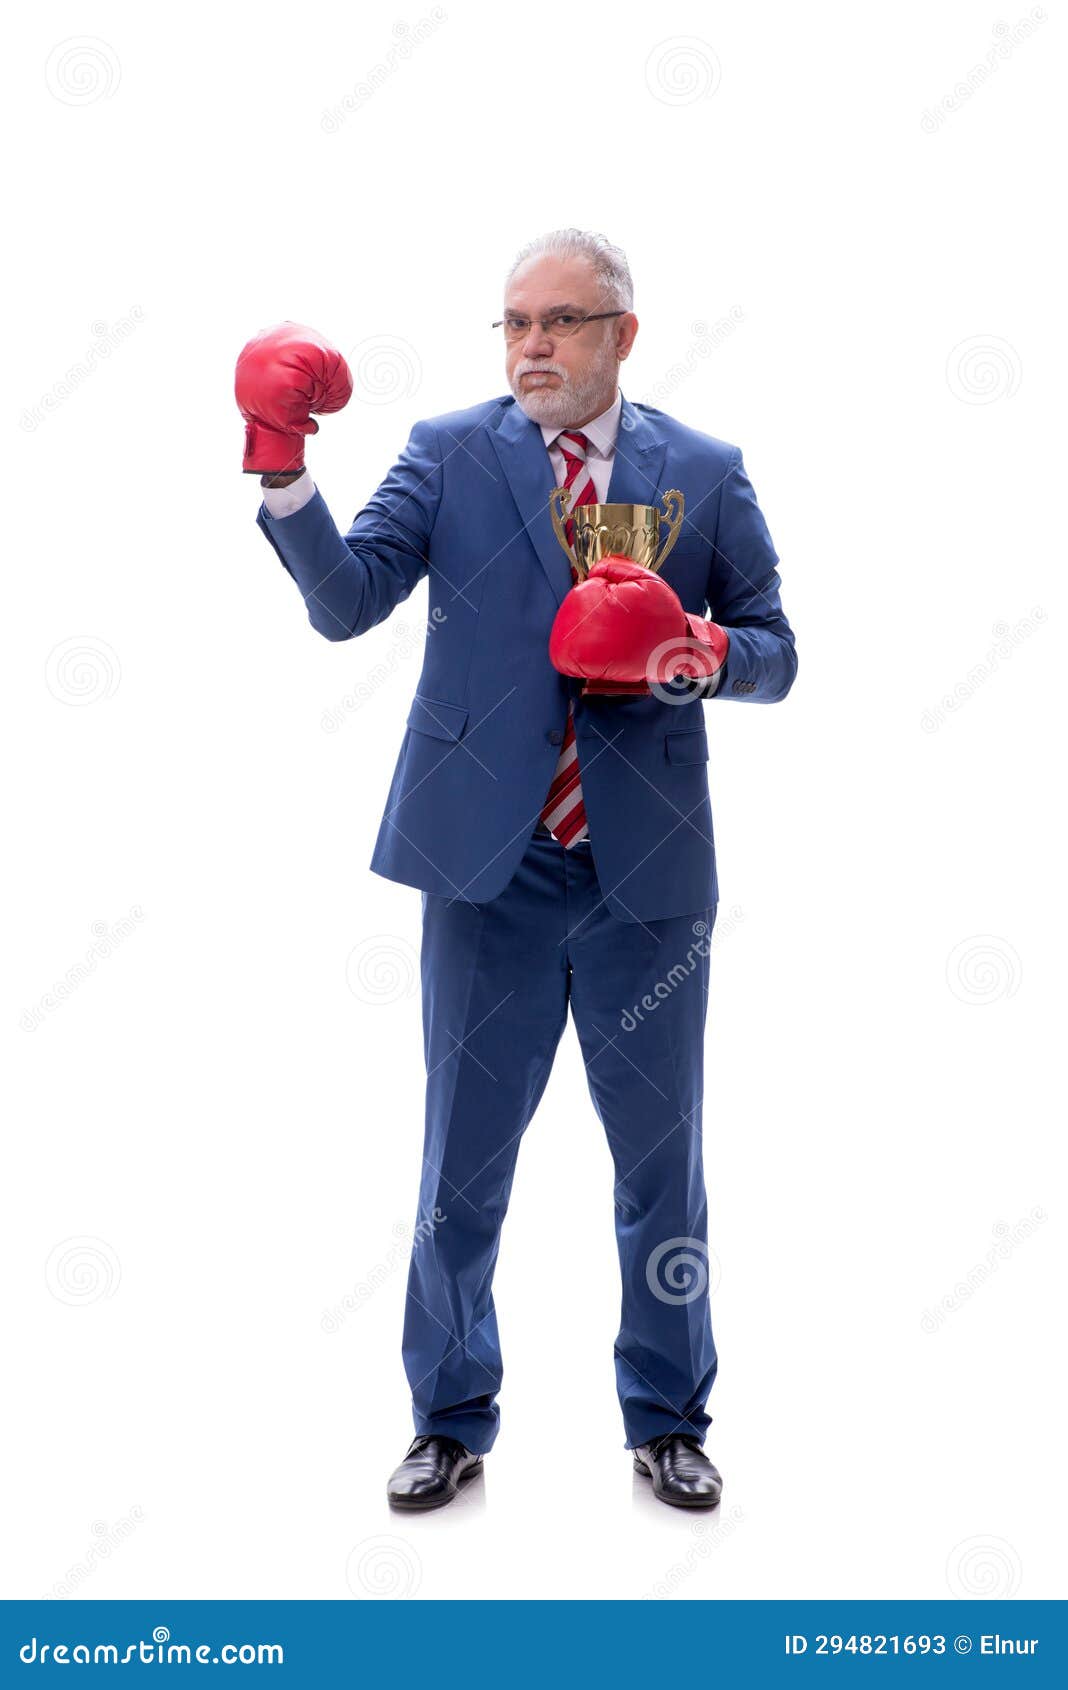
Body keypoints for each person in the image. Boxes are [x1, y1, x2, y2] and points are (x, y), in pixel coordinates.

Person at [236, 228, 797, 1512]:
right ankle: (447, 1415)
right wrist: (281, 470)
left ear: (622, 336)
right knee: (460, 1165)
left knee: (664, 1165)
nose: (530, 345)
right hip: (487, 868)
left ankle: (668, 1416)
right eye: (512, 323)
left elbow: (779, 648)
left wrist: (699, 647)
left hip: (641, 876)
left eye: (558, 321)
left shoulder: (702, 473)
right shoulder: (449, 453)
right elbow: (345, 601)